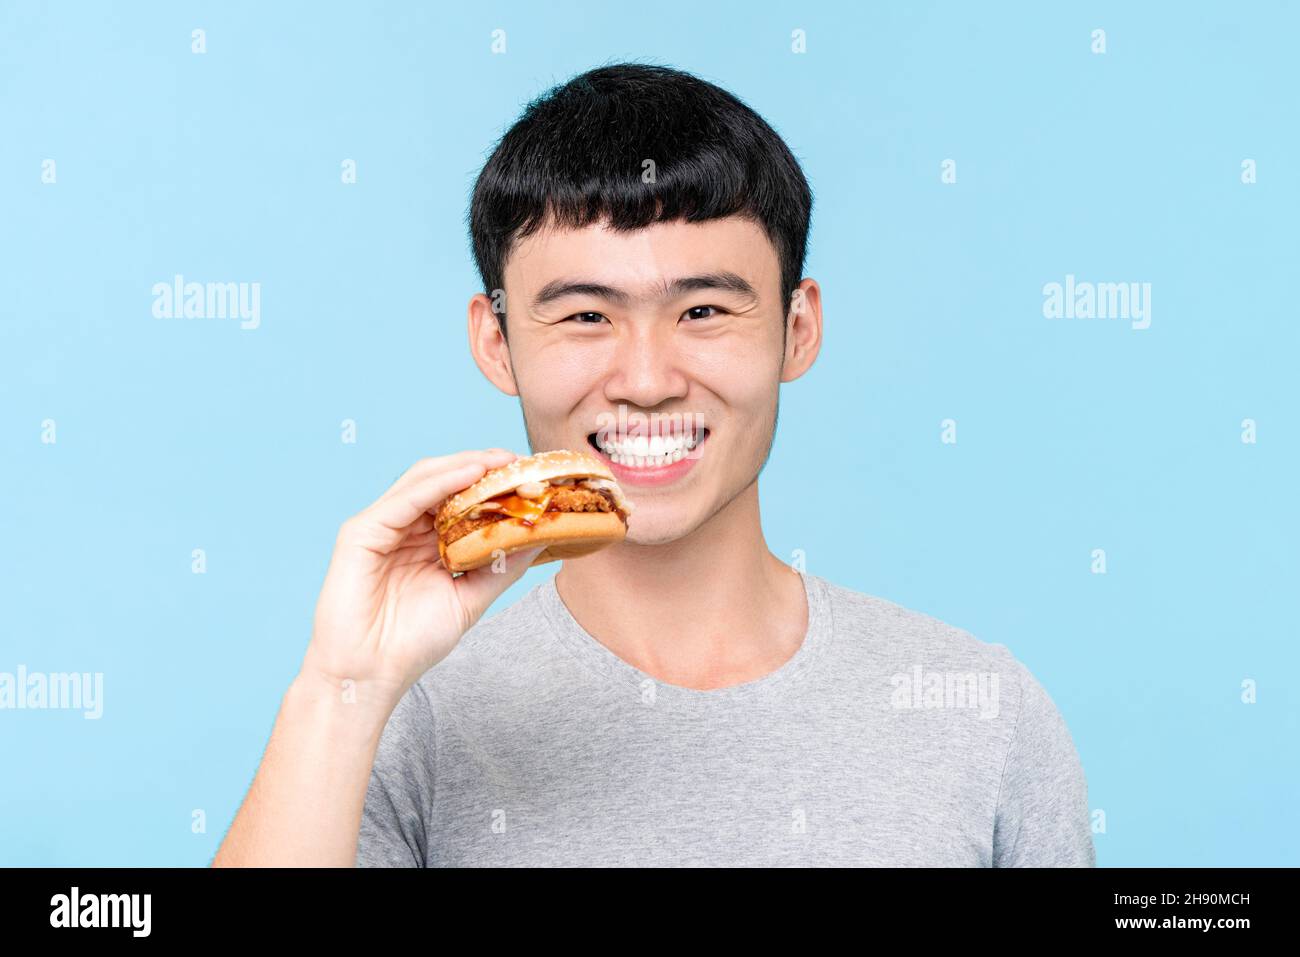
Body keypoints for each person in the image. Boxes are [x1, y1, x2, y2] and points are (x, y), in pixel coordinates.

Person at [213, 63, 1095, 867]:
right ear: (497, 342)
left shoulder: (983, 715)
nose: (645, 380)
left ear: (798, 328)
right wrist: (343, 688)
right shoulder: (396, 725)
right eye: (586, 316)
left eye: (705, 310)